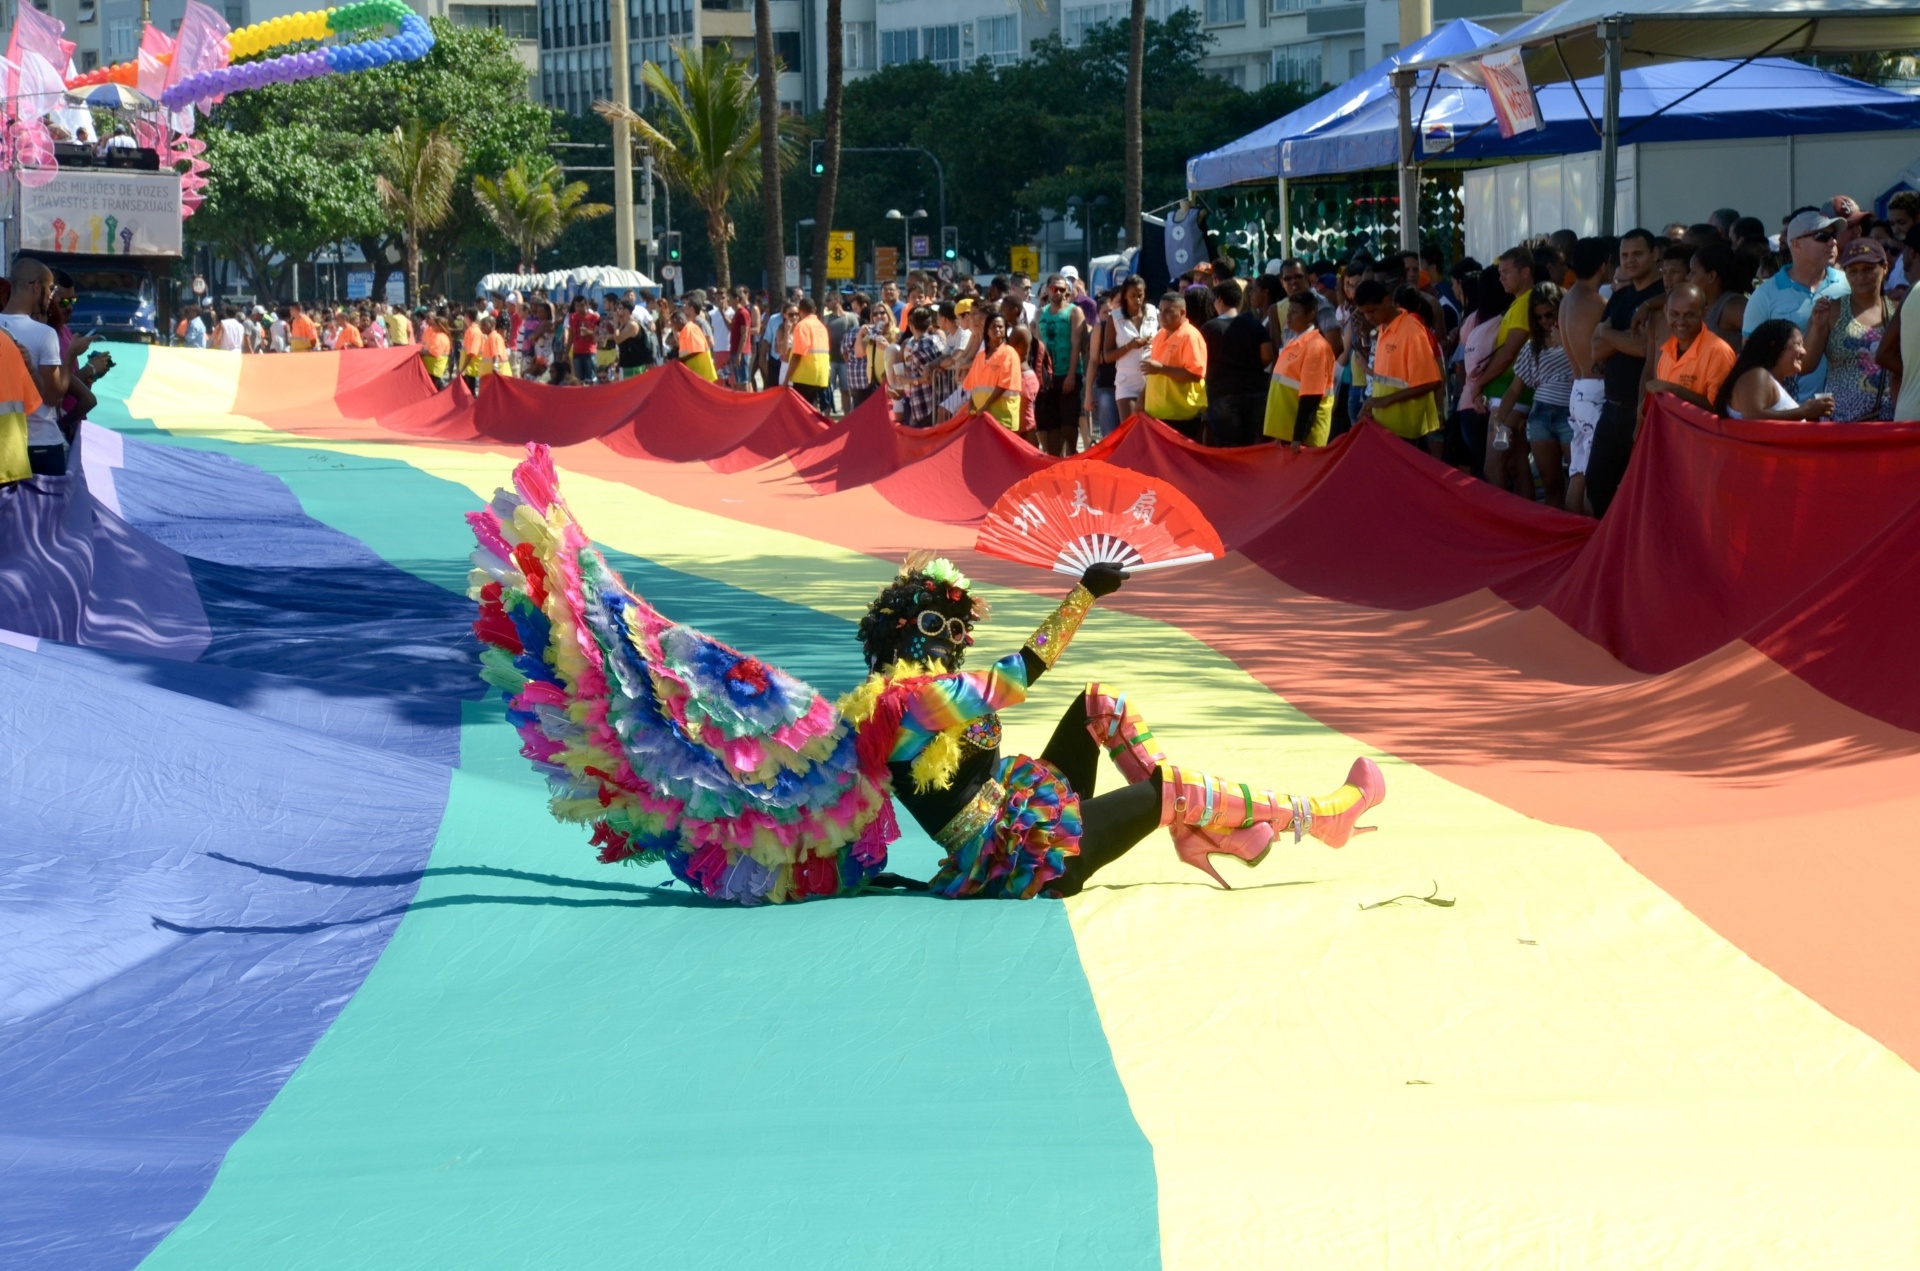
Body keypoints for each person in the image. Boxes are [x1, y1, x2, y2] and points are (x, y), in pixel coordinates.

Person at [469, 456, 1387, 903]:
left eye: (961, 624)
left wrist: (1080, 602)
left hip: (1030, 806)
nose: (957, 635)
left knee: (1104, 705)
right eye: (945, 625)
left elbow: (1018, 692)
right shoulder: (908, 703)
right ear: (912, 634)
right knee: (1166, 790)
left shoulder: (915, 694)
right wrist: (1081, 597)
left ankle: (1200, 837)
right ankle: (1315, 818)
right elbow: (1014, 683)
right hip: (1022, 859)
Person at [1587, 228, 1664, 516]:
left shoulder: (1663, 297)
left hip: (1643, 410)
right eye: (1625, 255)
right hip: (1612, 408)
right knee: (1598, 486)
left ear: (1655, 254)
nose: (1630, 261)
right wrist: (1620, 340)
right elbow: (1595, 350)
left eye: (1637, 254)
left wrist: (1608, 335)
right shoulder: (1620, 298)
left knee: (1643, 492)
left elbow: (1646, 348)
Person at [1743, 209, 1849, 397]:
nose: (1832, 242)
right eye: (1822, 236)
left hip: (1845, 411)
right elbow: (1750, 359)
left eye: (1833, 235)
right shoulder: (1766, 295)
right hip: (1793, 412)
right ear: (1796, 244)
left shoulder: (1848, 284)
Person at [0, 257, 83, 476]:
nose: (52, 296)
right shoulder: (44, 334)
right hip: (42, 442)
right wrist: (72, 353)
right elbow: (52, 397)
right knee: (47, 510)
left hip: (7, 444)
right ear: (36, 286)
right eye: (51, 288)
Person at [1493, 283, 1573, 505]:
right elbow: (1515, 388)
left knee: (1579, 480)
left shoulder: (1576, 338)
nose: (1545, 321)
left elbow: (1587, 370)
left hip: (1572, 414)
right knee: (1551, 484)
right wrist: (1500, 419)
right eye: (1538, 317)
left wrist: (1566, 339)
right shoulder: (1532, 347)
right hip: (1540, 416)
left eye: (1549, 314)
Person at [1803, 238, 1894, 422]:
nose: (1860, 277)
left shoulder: (1898, 310)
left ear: (1884, 268)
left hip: (1890, 423)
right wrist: (1818, 328)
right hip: (1842, 424)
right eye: (1853, 271)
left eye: (1868, 269)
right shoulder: (1831, 310)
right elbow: (1805, 366)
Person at [1355, 280, 1444, 452]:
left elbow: (1432, 382)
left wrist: (1384, 400)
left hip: (1408, 431)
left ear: (1387, 301)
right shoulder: (1383, 329)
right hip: (1386, 426)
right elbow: (1386, 381)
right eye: (1364, 313)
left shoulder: (1412, 331)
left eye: (1372, 311)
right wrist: (1371, 405)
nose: (1368, 318)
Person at [1560, 237, 1611, 514]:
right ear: (1604, 266)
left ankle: (1576, 534)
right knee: (1595, 472)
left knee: (1578, 466)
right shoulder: (1597, 303)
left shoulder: (1567, 300)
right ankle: (1592, 536)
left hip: (1578, 388)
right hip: (1595, 391)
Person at [1200, 278, 1273, 448]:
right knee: (1252, 444)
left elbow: (1201, 360)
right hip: (1255, 391)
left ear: (1218, 300)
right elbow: (1267, 355)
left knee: (1227, 446)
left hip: (1221, 393)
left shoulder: (1209, 328)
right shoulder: (1255, 325)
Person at [1715, 319, 1834, 420]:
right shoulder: (1757, 375)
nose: (1804, 351)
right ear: (1775, 346)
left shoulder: (1770, 380)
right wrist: (1803, 411)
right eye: (1798, 344)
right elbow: (1754, 418)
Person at [1646, 283, 1737, 413]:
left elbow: (1719, 410)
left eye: (1689, 315)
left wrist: (1675, 390)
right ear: (1665, 311)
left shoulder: (1718, 351)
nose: (1681, 322)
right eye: (1674, 314)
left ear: (1704, 313)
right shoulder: (1668, 350)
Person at [1263, 291, 1336, 446]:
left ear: (1310, 315)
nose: (1288, 317)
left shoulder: (1316, 347)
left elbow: (1311, 397)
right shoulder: (1295, 342)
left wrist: (1298, 438)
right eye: (1288, 312)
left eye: (1294, 313)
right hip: (1288, 434)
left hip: (1305, 440)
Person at [1140, 290, 1207, 438]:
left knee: (1179, 461)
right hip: (1157, 414)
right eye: (1161, 311)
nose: (1162, 316)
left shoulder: (1190, 336)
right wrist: (1142, 398)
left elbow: (1195, 375)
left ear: (1182, 312)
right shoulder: (1160, 335)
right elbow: (1154, 371)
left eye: (1168, 311)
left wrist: (1161, 369)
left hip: (1181, 416)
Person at [1034, 275, 1085, 456]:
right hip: (1048, 376)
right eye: (1055, 289)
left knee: (1069, 424)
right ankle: (1055, 461)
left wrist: (1071, 375)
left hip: (1068, 372)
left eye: (1063, 290)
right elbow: (1038, 346)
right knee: (1052, 426)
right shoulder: (1040, 314)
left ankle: (1072, 456)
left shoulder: (1074, 312)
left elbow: (1076, 344)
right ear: (1048, 290)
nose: (1060, 293)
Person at [960, 310, 1022, 430]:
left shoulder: (1009, 353)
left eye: (1000, 327)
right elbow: (974, 384)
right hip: (982, 415)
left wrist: (986, 405)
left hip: (1002, 417)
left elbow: (1004, 384)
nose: (997, 329)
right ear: (987, 331)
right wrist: (972, 404)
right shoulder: (980, 356)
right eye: (993, 326)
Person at [1107, 274, 1156, 422]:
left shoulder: (1153, 312)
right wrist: (1130, 346)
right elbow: (1107, 356)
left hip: (1151, 379)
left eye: (1140, 295)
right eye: (1132, 296)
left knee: (1150, 430)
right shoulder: (1115, 318)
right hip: (1126, 380)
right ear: (1125, 296)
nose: (1137, 299)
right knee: (1130, 428)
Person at [781, 295, 833, 411]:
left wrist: (786, 378)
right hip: (821, 377)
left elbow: (798, 354)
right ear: (814, 310)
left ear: (799, 310)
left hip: (804, 377)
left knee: (801, 412)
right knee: (813, 412)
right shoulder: (821, 327)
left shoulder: (802, 325)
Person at [673, 305, 717, 381]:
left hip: (702, 373)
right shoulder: (685, 330)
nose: (673, 326)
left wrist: (680, 359)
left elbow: (698, 350)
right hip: (696, 372)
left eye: (673, 323)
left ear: (678, 320)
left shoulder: (690, 328)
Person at [566, 297, 601, 384]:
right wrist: (566, 351)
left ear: (587, 305)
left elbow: (599, 335)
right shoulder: (572, 317)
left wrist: (589, 332)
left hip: (590, 351)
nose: (579, 308)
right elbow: (571, 335)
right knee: (579, 379)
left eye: (582, 305)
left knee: (591, 378)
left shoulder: (595, 317)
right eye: (577, 306)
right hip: (577, 351)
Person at [421, 315, 453, 388]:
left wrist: (420, 353)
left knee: (436, 388)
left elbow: (434, 352)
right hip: (434, 368)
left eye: (434, 325)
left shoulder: (440, 337)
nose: (432, 326)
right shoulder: (439, 335)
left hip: (434, 369)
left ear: (439, 326)